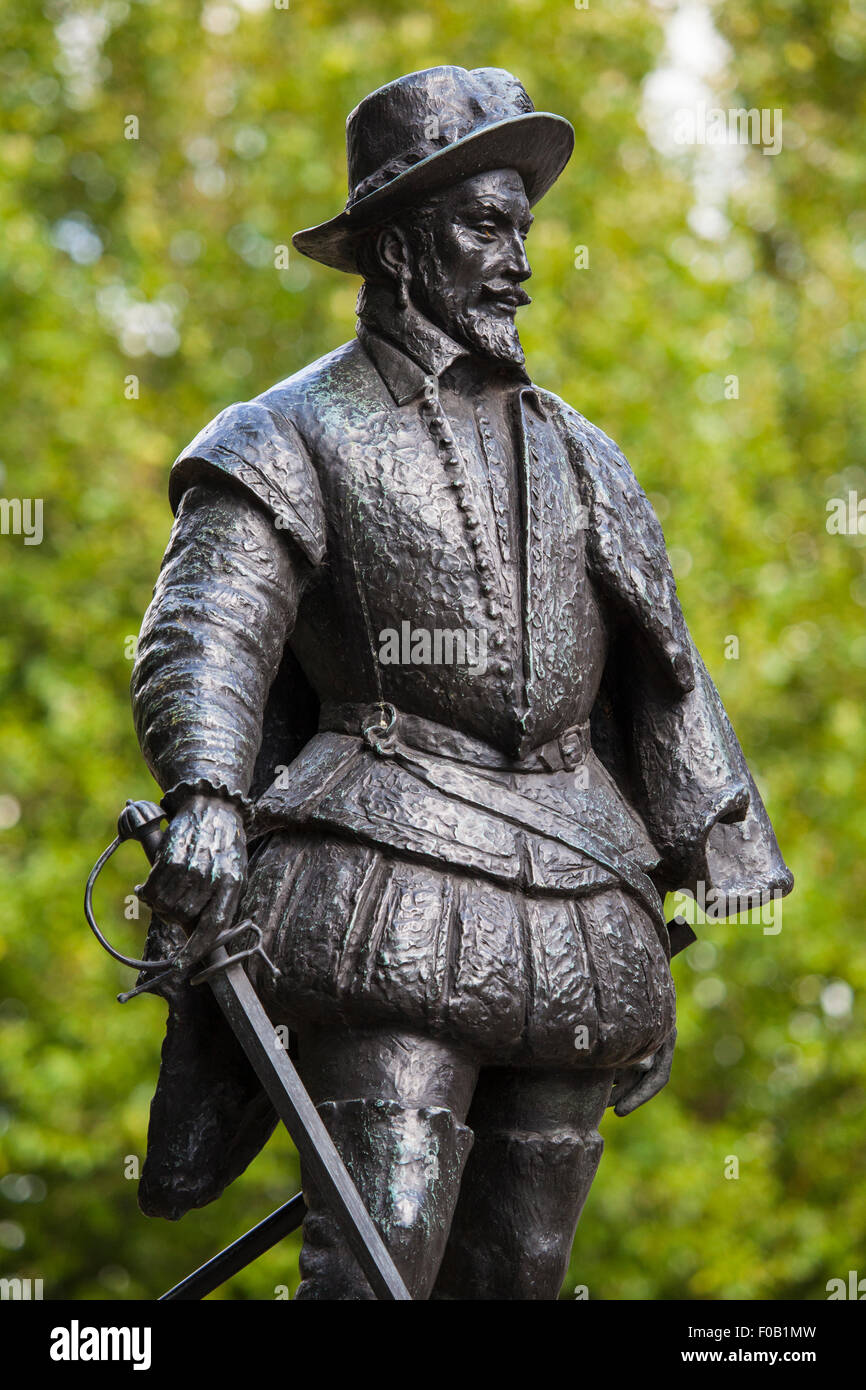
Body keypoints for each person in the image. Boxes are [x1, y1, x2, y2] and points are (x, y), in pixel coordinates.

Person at [131, 66, 792, 1299]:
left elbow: (659, 655)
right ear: (392, 246)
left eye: (521, 227)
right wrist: (209, 797)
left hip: (582, 898)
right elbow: (205, 630)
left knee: (524, 1269)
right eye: (483, 227)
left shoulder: (583, 451)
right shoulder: (286, 432)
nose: (517, 260)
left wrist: (704, 852)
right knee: (382, 1248)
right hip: (383, 877)